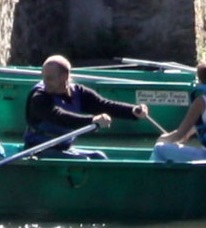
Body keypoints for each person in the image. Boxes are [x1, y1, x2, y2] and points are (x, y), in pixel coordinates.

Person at [22, 55, 151, 154]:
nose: (45, 82)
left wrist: (132, 111)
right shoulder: (39, 97)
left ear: (64, 77)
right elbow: (60, 117)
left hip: (63, 148)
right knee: (87, 161)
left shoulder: (78, 92)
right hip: (38, 150)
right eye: (43, 77)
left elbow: (103, 105)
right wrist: (92, 120)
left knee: (99, 156)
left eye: (49, 78)